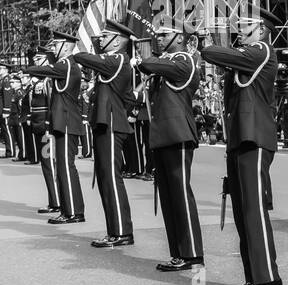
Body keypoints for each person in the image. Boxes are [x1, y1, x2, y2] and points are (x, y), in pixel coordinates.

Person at [201, 6, 283, 285]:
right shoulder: (246, 56)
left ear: (261, 29)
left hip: (255, 137)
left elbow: (216, 55)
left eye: (246, 25)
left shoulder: (261, 50)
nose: (239, 29)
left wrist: (206, 43)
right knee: (242, 212)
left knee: (253, 210)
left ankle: (267, 278)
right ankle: (254, 277)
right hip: (240, 137)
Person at [137, 26, 205, 272]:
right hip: (163, 136)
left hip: (178, 135)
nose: (160, 38)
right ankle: (178, 253)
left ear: (180, 38)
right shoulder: (166, 64)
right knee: (168, 197)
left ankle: (192, 254)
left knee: (180, 194)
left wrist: (145, 59)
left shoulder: (184, 60)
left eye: (165, 35)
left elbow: (152, 65)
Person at [72, 20, 137, 247]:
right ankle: (115, 231)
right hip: (106, 123)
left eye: (104, 36)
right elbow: (128, 97)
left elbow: (82, 57)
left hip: (110, 124)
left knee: (110, 178)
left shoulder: (117, 59)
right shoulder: (112, 62)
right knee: (105, 179)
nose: (99, 39)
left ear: (117, 41)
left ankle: (121, 232)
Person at [24, 33, 85, 224]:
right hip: (62, 121)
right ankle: (68, 210)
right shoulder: (64, 65)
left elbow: (39, 70)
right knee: (62, 168)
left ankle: (74, 212)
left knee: (66, 168)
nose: (53, 49)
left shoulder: (66, 65)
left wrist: (28, 68)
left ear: (66, 47)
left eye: (57, 45)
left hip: (66, 121)